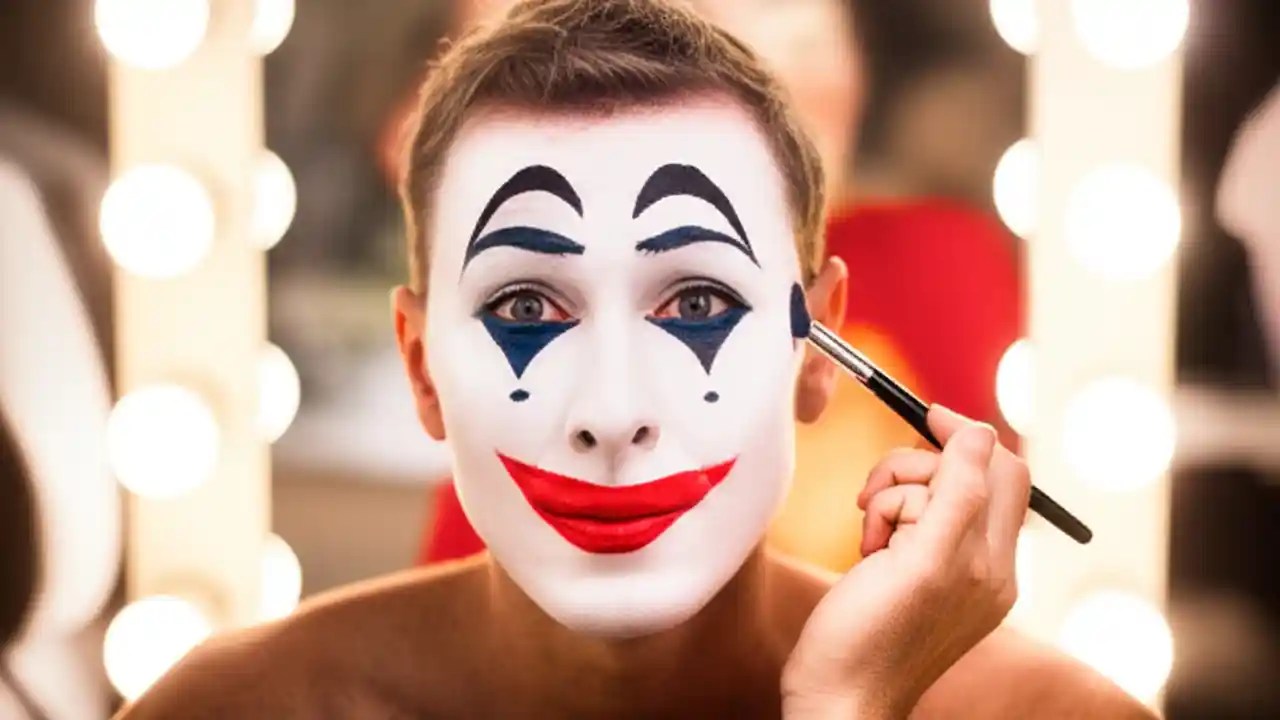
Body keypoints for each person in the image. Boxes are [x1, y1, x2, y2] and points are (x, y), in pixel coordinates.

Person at [118, 2, 1152, 717]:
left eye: (696, 300)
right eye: (526, 303)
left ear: (813, 347)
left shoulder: (1052, 717)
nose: (611, 412)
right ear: (422, 364)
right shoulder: (231, 710)